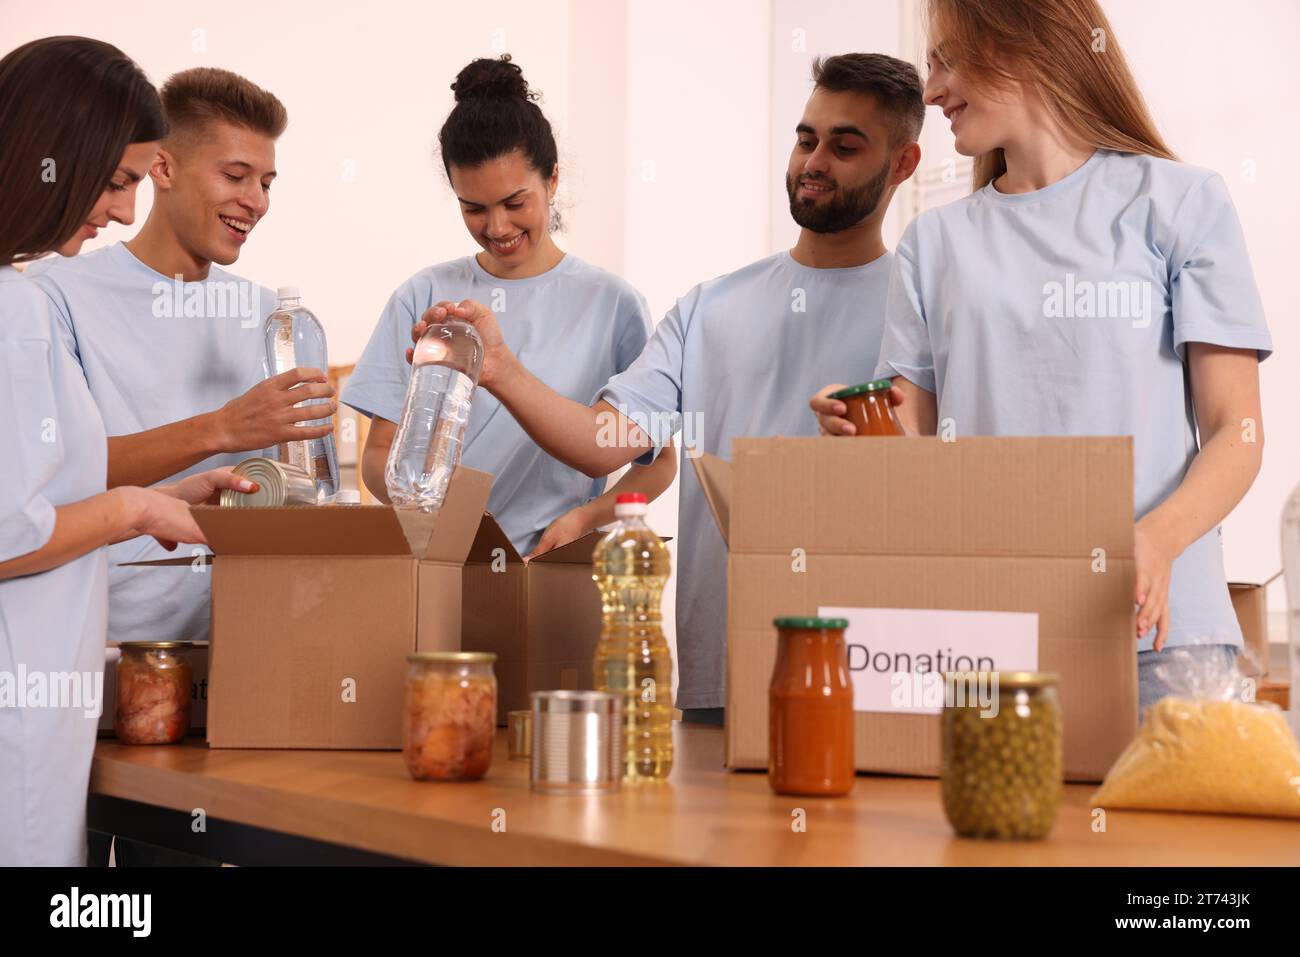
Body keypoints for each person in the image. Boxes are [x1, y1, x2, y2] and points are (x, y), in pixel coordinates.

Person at [412, 54, 924, 723]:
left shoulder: (920, 307)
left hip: (876, 666)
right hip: (723, 673)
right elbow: (605, 445)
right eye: (806, 139)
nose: (814, 161)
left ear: (905, 164)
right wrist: (500, 369)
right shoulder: (711, 306)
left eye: (845, 145)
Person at [811, 0, 1271, 716]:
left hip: (1160, 638)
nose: (930, 93)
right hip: (988, 641)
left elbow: (1236, 432)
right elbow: (913, 459)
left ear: (1019, 45)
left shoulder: (1177, 203)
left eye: (944, 61)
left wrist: (1155, 538)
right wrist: (856, 425)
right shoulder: (934, 245)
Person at [0, 37, 250, 866]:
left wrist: (179, 487)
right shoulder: (23, 307)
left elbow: (34, 481)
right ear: (51, 155)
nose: (119, 210)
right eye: (116, 182)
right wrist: (140, 508)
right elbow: (9, 533)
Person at [31, 67, 333, 650]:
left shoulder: (282, 321)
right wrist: (221, 429)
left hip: (253, 648)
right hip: (105, 648)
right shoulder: (57, 295)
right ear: (163, 168)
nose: (256, 201)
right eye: (235, 175)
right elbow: (48, 478)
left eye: (267, 182)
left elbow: (309, 504)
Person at [342, 55, 676, 560]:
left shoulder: (611, 304)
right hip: (442, 563)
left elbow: (657, 461)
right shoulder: (425, 296)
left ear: (553, 180)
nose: (497, 227)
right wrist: (443, 518)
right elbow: (379, 459)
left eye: (515, 202)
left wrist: (586, 518)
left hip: (549, 565)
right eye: (473, 208)